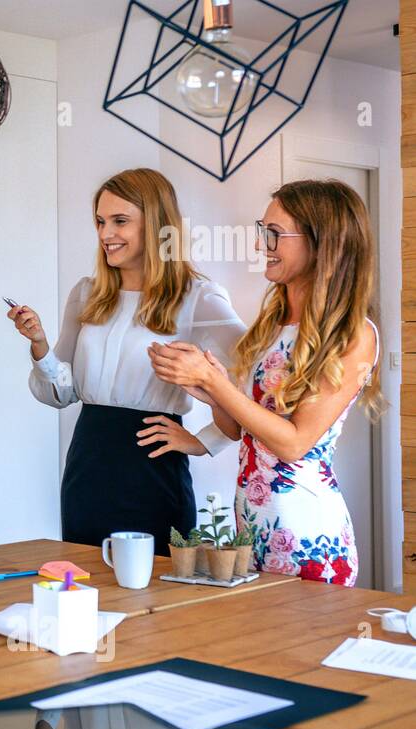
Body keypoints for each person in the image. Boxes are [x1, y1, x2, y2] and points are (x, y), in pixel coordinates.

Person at [150, 180, 382, 586]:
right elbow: (241, 430)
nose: (261, 245)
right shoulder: (272, 324)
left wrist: (215, 383)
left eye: (274, 234)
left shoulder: (354, 334)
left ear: (320, 242)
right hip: (252, 527)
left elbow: (293, 443)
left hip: (307, 534)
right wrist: (208, 388)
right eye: (263, 231)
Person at [7, 168, 245, 556]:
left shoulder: (197, 297)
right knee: (86, 582)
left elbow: (257, 372)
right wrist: (40, 346)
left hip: (153, 466)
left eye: (120, 221)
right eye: (100, 222)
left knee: (158, 593)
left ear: (155, 226)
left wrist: (206, 442)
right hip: (88, 461)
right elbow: (62, 394)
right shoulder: (87, 293)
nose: (105, 234)